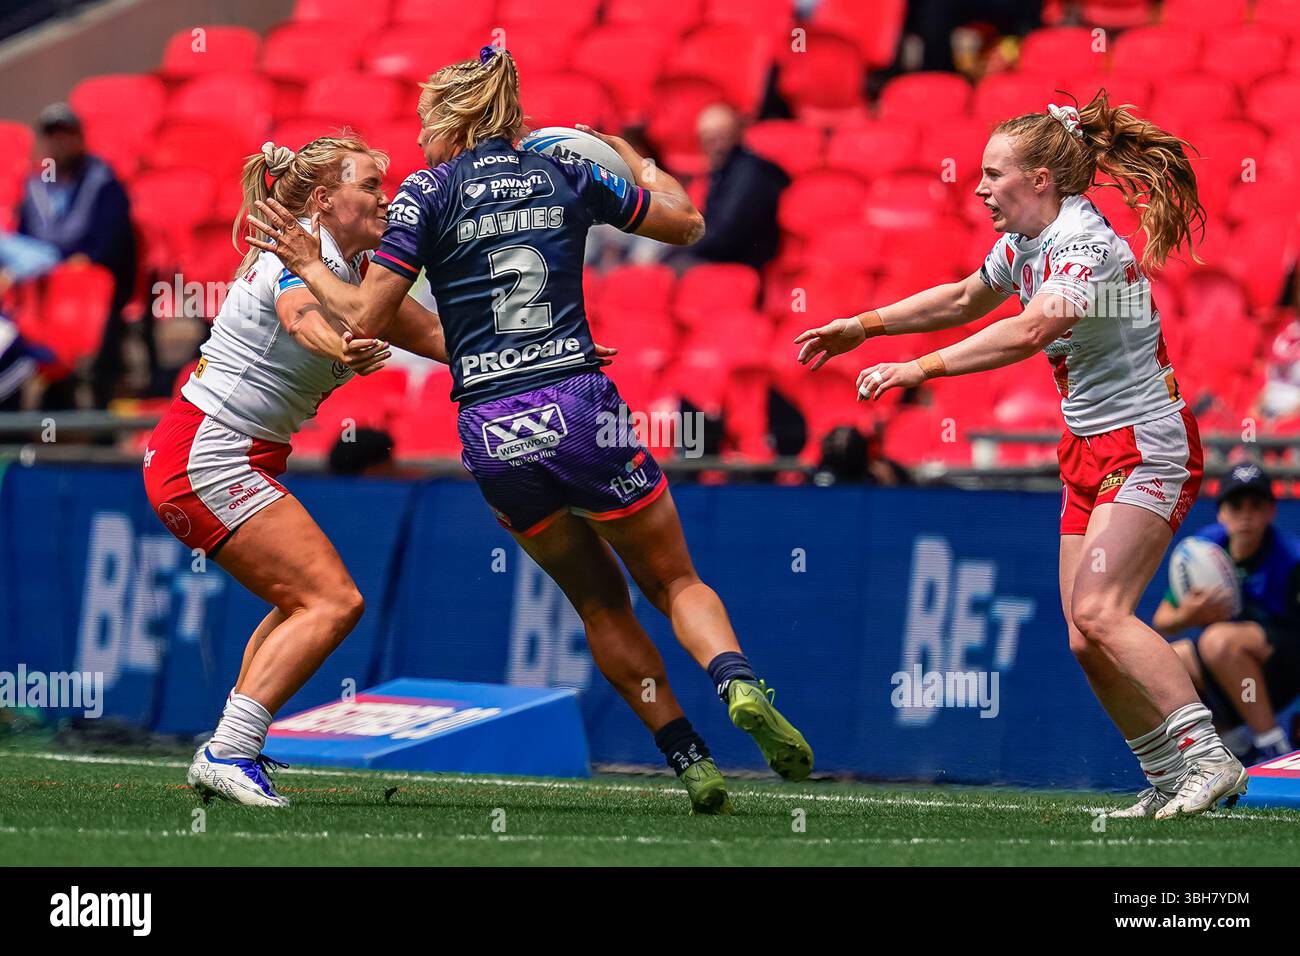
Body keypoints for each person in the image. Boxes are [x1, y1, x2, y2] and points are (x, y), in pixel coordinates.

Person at [247, 46, 814, 815]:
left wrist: (312, 266)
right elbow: (688, 226)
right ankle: (737, 681)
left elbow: (365, 320)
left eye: (425, 125)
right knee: (675, 580)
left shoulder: (425, 192)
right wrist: (639, 160)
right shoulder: (566, 170)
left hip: (491, 424)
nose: (419, 142)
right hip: (582, 403)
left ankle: (689, 760)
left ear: (454, 120)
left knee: (600, 606)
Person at [795, 92, 1245, 819]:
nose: (979, 188)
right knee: (1084, 635)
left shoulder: (1085, 246)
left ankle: (1211, 757)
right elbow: (966, 297)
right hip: (1085, 447)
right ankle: (1167, 772)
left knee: (1101, 611)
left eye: (993, 174)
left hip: (1146, 444)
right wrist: (864, 325)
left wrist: (921, 370)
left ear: (1040, 178)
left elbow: (1032, 330)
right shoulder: (1023, 246)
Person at [144, 134, 448, 807]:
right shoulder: (296, 254)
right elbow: (301, 316)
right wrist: (340, 340)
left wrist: (540, 350)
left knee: (304, 600)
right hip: (206, 455)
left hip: (214, 455)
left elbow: (435, 338)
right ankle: (228, 750)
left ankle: (232, 745)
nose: (386, 195)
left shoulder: (351, 266)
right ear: (322, 200)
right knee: (333, 601)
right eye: (370, 184)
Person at [1156, 461, 1300, 764]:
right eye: (1236, 505)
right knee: (1168, 661)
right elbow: (1164, 619)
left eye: (1256, 504)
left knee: (1218, 640)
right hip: (1232, 673)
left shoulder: (1291, 559)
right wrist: (1189, 614)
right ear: (1221, 512)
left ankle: (1272, 746)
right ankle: (1231, 744)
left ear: (1271, 511)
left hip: (1283, 667)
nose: (1246, 514)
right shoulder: (1201, 551)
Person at [17, 103, 138, 408]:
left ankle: (98, 422)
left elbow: (112, 243)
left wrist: (79, 263)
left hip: (92, 293)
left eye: (66, 134)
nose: (60, 142)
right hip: (41, 292)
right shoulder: (35, 186)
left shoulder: (103, 182)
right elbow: (23, 240)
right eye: (52, 135)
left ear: (80, 137)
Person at [667, 103, 788, 272]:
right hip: (718, 256)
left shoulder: (750, 174)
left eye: (721, 137)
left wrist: (680, 249)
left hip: (741, 264)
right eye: (708, 140)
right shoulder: (723, 172)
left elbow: (726, 233)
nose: (716, 147)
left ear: (737, 135)